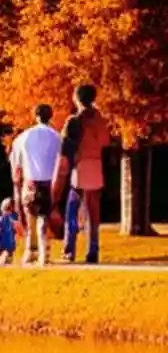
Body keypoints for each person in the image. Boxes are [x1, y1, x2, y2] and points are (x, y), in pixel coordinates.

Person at [60, 83, 112, 264]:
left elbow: (66, 146)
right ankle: (93, 250)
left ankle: (69, 249)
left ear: (77, 98)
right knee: (94, 212)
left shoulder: (74, 121)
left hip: (80, 166)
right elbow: (106, 142)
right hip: (96, 165)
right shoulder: (100, 120)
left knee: (72, 209)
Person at [9, 104, 62, 266]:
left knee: (30, 217)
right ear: (51, 116)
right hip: (49, 181)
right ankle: (44, 250)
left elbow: (15, 163)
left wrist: (16, 182)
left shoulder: (23, 137)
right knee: (44, 218)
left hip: (30, 181)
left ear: (35, 116)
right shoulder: (57, 137)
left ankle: (31, 250)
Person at [0, 197, 22, 266]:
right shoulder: (14, 218)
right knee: (9, 261)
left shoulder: (0, 220)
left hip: (2, 244)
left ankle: (1, 263)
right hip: (11, 244)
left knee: (1, 260)